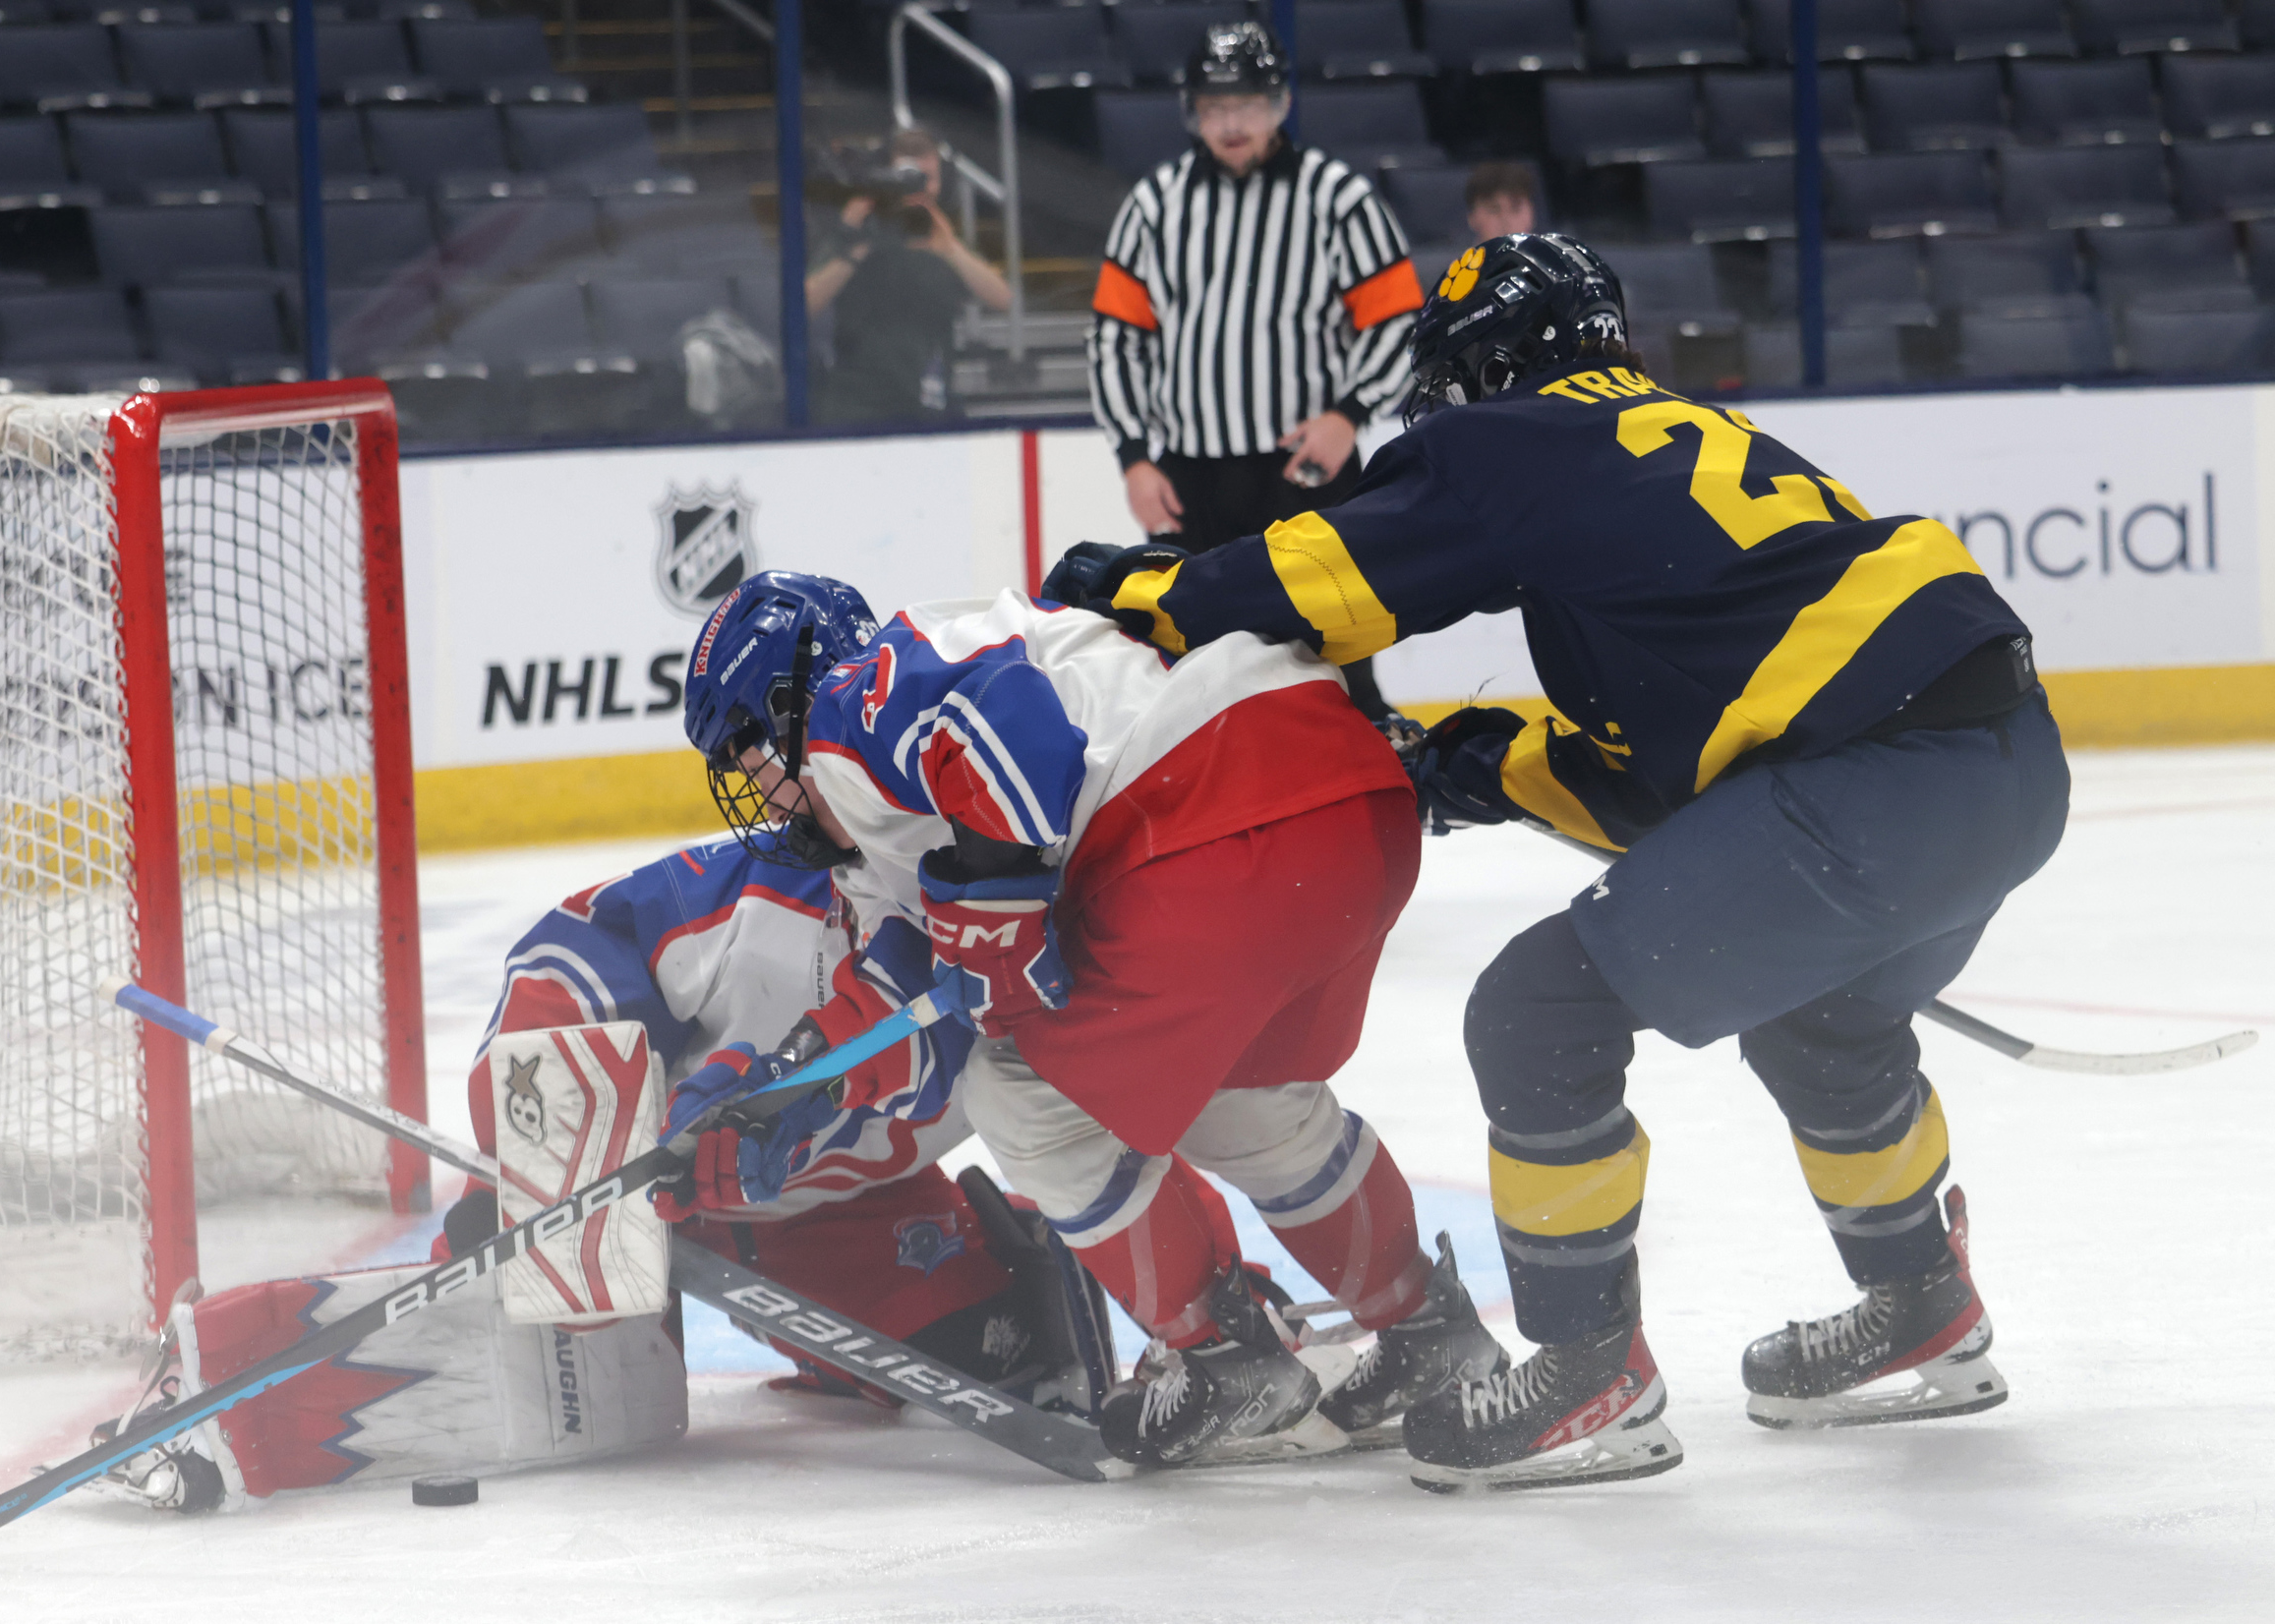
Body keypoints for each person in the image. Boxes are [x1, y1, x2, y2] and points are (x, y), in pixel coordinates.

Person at [1063, 232, 2071, 1491]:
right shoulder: (1668, 434)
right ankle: (1924, 1300)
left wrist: (1149, 592)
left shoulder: (1516, 434)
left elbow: (1327, 579)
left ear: (1489, 361)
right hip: (2007, 762)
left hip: (1873, 780)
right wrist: (1472, 764)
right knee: (1826, 1026)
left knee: (1537, 1013)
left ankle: (1588, 1367)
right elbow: (1666, 782)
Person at [666, 570, 1506, 1469]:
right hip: (1341, 814)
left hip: (1207, 815)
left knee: (1020, 1093)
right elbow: (916, 982)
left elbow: (1005, 727)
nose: (762, 792)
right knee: (1252, 1104)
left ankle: (1220, 1356)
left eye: (753, 755)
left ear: (791, 701)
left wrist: (997, 904)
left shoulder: (856, 698)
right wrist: (810, 1081)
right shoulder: (881, 830)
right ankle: (1426, 1329)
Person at [88, 837, 1095, 1512]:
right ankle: (209, 1382)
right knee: (503, 1276)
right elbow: (569, 956)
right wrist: (575, 1137)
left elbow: (1105, 1121)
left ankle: (946, 1286)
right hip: (623, 1188)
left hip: (837, 1214)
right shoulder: (752, 897)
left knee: (999, 1342)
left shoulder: (1023, 955)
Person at [1085, 21, 1422, 725]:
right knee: (1188, 651)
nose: (1231, 122)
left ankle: (1367, 770)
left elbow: (1396, 315)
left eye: (1245, 104)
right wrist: (1134, 458)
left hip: (1301, 465)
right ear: (1193, 113)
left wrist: (1351, 412)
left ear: (1278, 104)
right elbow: (1116, 337)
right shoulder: (1155, 206)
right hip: (1189, 476)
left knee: (1336, 633)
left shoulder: (1337, 198)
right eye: (1214, 106)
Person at [809, 129, 1012, 425]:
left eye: (926, 178)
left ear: (943, 182)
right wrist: (857, 245)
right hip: (856, 405)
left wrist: (950, 250)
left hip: (930, 401)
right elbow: (803, 306)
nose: (917, 189)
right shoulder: (855, 232)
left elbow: (1003, 298)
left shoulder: (944, 235)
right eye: (904, 178)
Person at [1463, 161, 1540, 242]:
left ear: (1532, 213)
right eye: (1494, 210)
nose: (1505, 221)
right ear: (1472, 217)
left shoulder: (1551, 253)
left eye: (1515, 209)